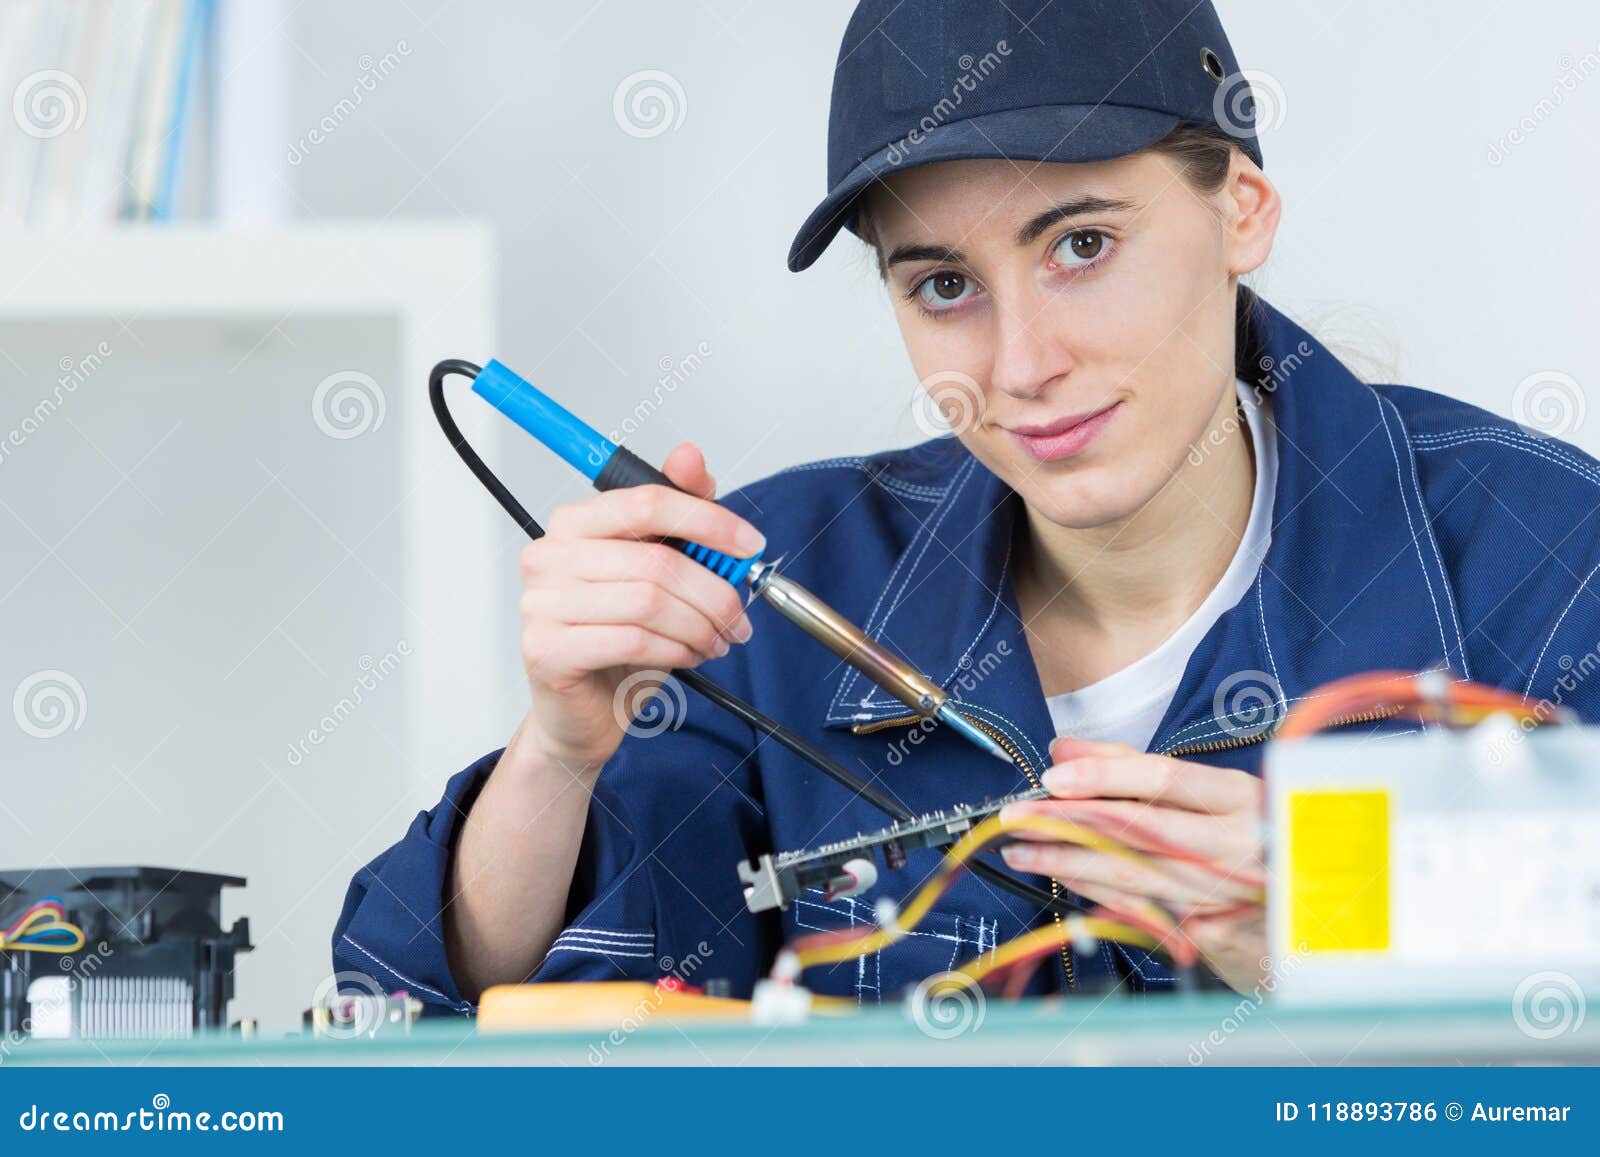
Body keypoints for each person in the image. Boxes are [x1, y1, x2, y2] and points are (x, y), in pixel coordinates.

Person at [333, 0, 1600, 1009]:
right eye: (943, 284)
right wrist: (560, 750)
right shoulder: (780, 590)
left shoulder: (1549, 565)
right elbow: (452, 1018)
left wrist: (1339, 931)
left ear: (1242, 213)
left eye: (1082, 245)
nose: (1018, 364)